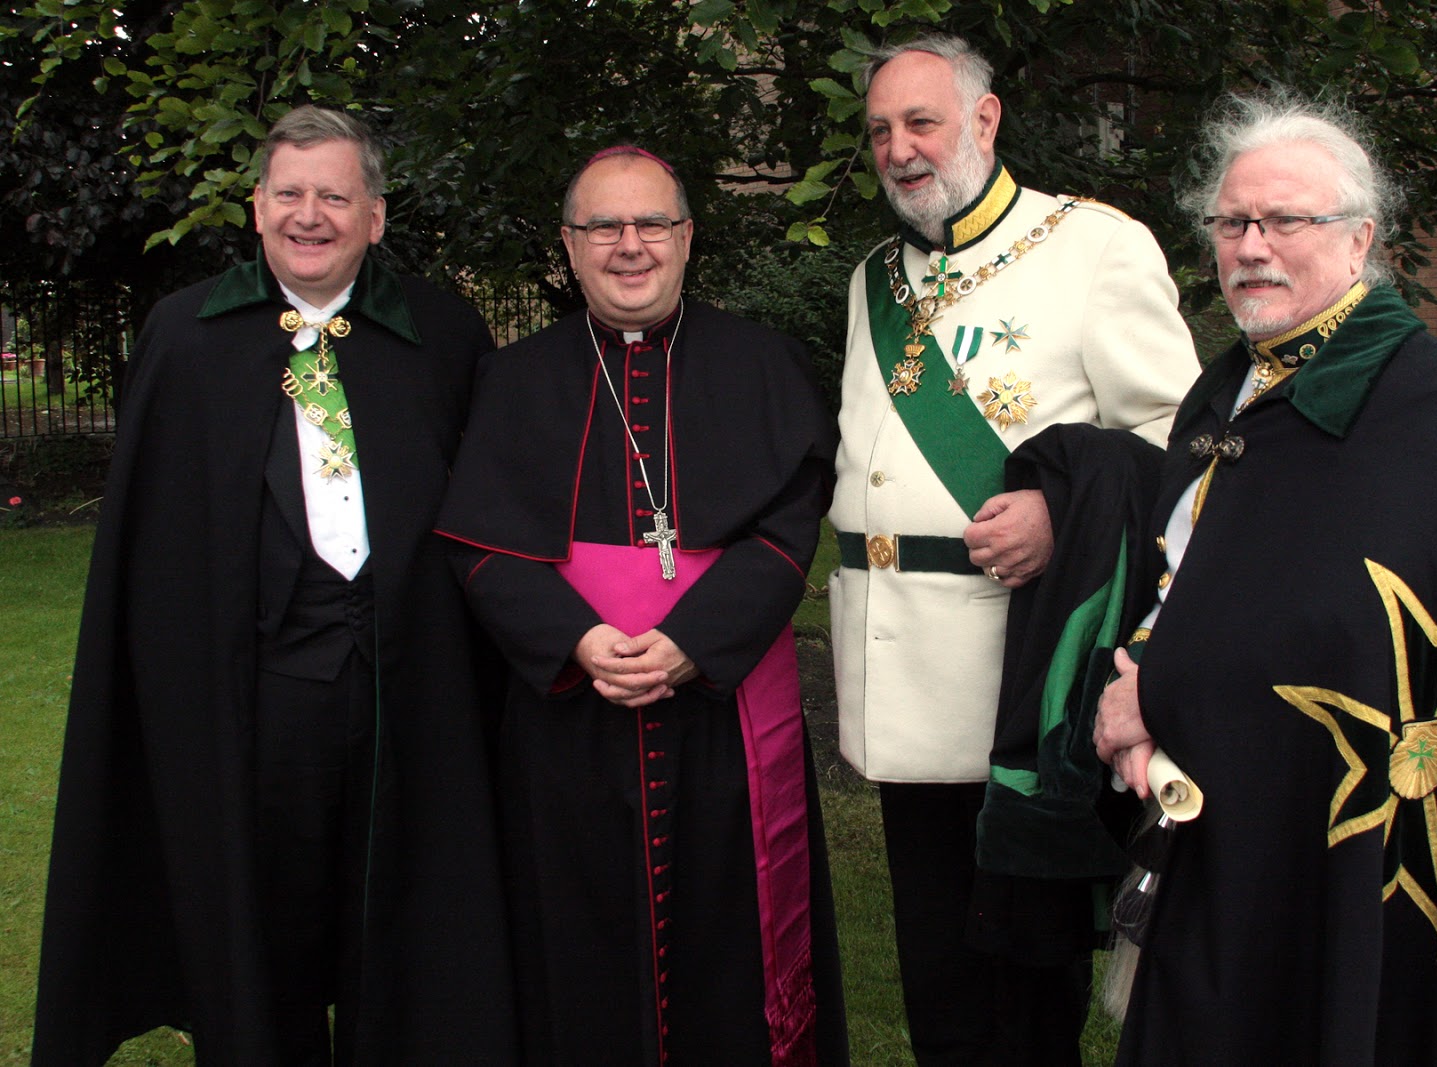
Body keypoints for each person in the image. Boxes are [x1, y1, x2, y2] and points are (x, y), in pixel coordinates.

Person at [1092, 93, 1437, 1064]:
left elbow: (1346, 629)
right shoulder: (1227, 382)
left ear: (1359, 242)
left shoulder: (1425, 405)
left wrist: (1158, 692)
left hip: (1342, 825)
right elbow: (1188, 569)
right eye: (1231, 222)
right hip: (1216, 812)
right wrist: (1145, 668)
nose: (1251, 245)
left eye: (1284, 221)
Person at [33, 106, 517, 1064]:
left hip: (410, 692)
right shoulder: (186, 335)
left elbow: (492, 515)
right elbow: (154, 546)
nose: (310, 215)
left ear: (374, 217)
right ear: (256, 210)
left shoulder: (442, 334)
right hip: (259, 697)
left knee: (410, 915)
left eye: (334, 195)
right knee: (266, 930)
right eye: (289, 194)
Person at [829, 33, 1199, 1065]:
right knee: (936, 967)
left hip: (1019, 674)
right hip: (896, 674)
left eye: (922, 121)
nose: (898, 148)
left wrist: (1061, 505)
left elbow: (1183, 442)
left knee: (1024, 975)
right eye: (880, 130)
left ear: (985, 121)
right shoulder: (873, 279)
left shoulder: (1094, 246)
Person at [434, 145, 849, 1066]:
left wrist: (692, 640)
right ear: (571, 246)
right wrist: (579, 639)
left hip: (722, 713)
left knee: (731, 948)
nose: (631, 245)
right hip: (567, 720)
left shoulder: (765, 364)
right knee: (573, 946)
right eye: (604, 227)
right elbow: (479, 542)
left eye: (652, 223)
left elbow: (790, 524)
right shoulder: (515, 378)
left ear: (688, 237)